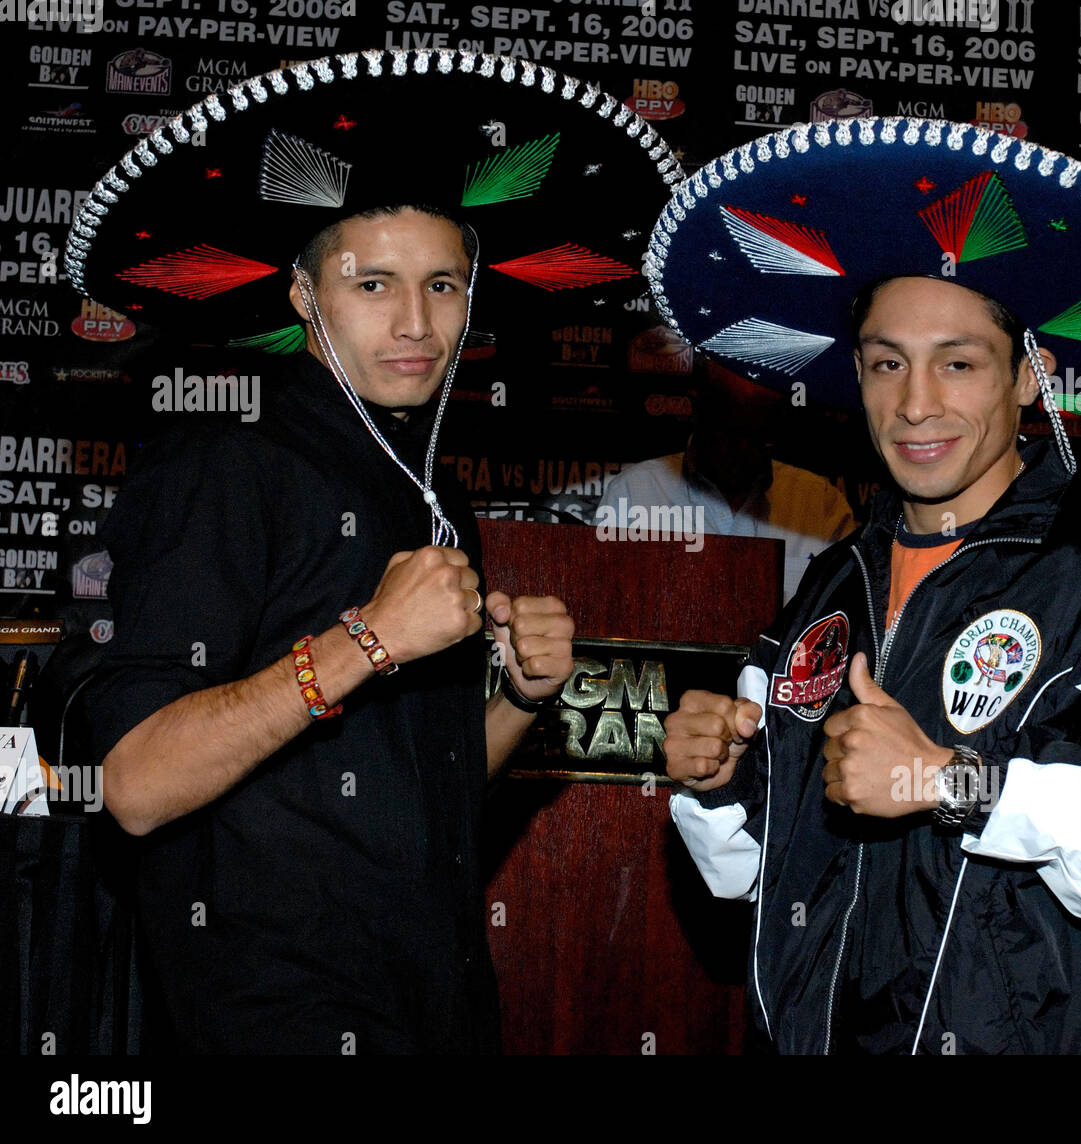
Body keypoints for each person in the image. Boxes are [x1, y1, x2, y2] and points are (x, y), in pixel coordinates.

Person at [69, 49, 682, 1053]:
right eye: (374, 284)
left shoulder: (424, 482)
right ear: (307, 296)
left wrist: (520, 700)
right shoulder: (227, 453)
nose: (415, 323)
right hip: (273, 1009)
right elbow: (135, 783)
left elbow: (427, 787)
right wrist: (364, 640)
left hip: (431, 994)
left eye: (443, 284)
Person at [647, 116, 1081, 1053]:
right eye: (888, 363)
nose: (916, 403)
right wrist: (719, 785)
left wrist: (950, 781)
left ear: (1027, 377)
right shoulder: (831, 589)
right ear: (857, 375)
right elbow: (754, 878)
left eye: (958, 363)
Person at [597, 360, 856, 602]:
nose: (743, 451)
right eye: (731, 435)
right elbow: (605, 605)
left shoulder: (819, 503)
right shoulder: (634, 493)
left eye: (758, 439)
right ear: (697, 413)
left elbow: (848, 611)